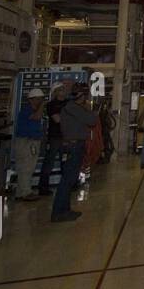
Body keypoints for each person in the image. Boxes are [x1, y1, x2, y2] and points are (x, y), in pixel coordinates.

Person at [53, 89, 97, 223]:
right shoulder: (74, 108)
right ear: (81, 97)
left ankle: (64, 210)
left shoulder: (70, 108)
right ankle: (59, 212)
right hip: (73, 145)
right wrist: (89, 109)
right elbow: (92, 120)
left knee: (69, 179)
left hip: (72, 145)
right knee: (68, 179)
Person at [11, 88, 47, 201]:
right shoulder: (27, 109)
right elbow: (37, 117)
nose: (40, 102)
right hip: (26, 141)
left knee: (25, 167)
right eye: (39, 99)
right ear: (32, 99)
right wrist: (42, 106)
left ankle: (20, 192)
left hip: (30, 140)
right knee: (27, 166)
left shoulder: (30, 109)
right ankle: (26, 192)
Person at [40, 84, 69, 196]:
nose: (63, 90)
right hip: (55, 137)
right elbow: (57, 119)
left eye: (63, 88)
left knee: (65, 162)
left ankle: (67, 185)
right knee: (49, 162)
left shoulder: (68, 103)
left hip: (66, 137)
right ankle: (43, 188)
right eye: (60, 89)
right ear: (55, 92)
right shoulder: (51, 105)